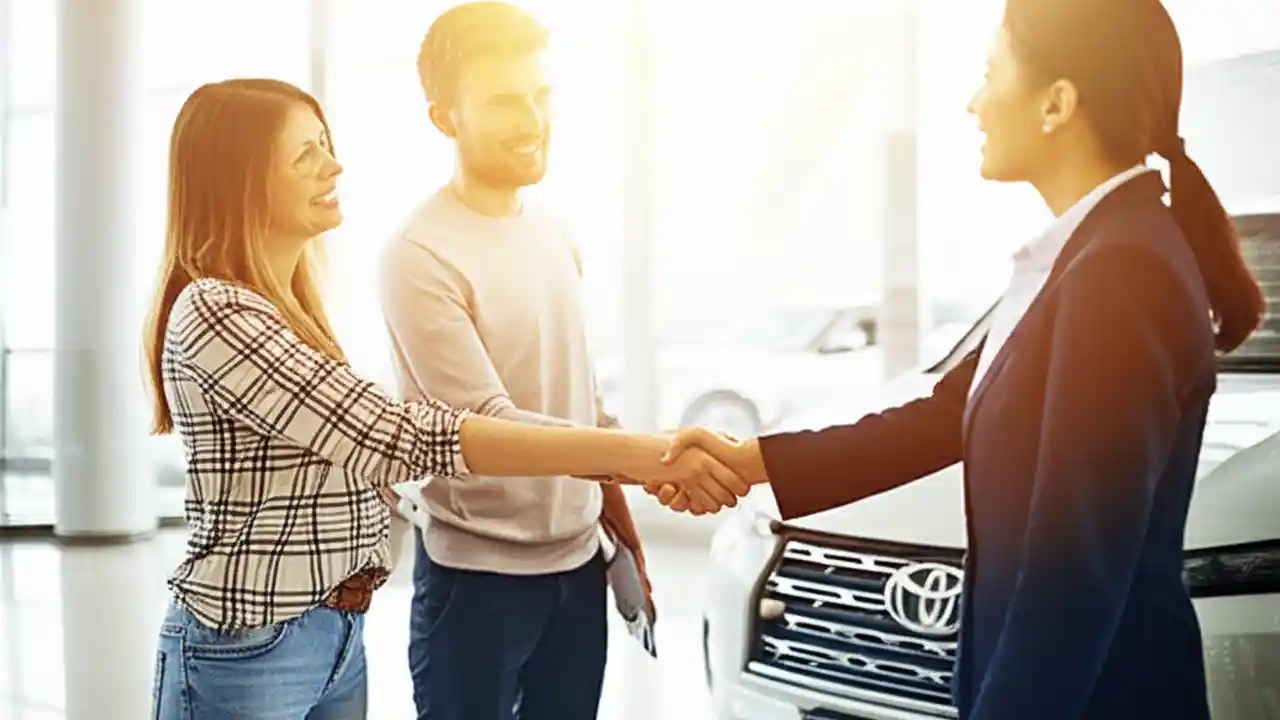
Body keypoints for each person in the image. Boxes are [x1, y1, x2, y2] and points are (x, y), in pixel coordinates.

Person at [653, 1, 1264, 718]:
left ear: (1057, 103)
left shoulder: (1121, 272)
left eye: (990, 73)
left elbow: (1074, 571)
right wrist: (749, 459)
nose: (974, 102)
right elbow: (943, 417)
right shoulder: (1083, 256)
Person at [143, 78, 745, 720]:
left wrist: (613, 508)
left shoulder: (291, 311)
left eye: (326, 145)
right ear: (240, 180)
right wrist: (649, 455)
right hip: (249, 645)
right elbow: (394, 437)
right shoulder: (216, 310)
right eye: (305, 155)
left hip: (335, 633)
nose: (334, 165)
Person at [378, 4, 652, 718]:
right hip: (477, 585)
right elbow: (489, 429)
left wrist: (622, 531)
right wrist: (653, 458)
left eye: (540, 95)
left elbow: (579, 405)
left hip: (578, 568)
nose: (532, 118)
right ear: (446, 118)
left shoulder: (556, 237)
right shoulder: (421, 254)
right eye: (504, 101)